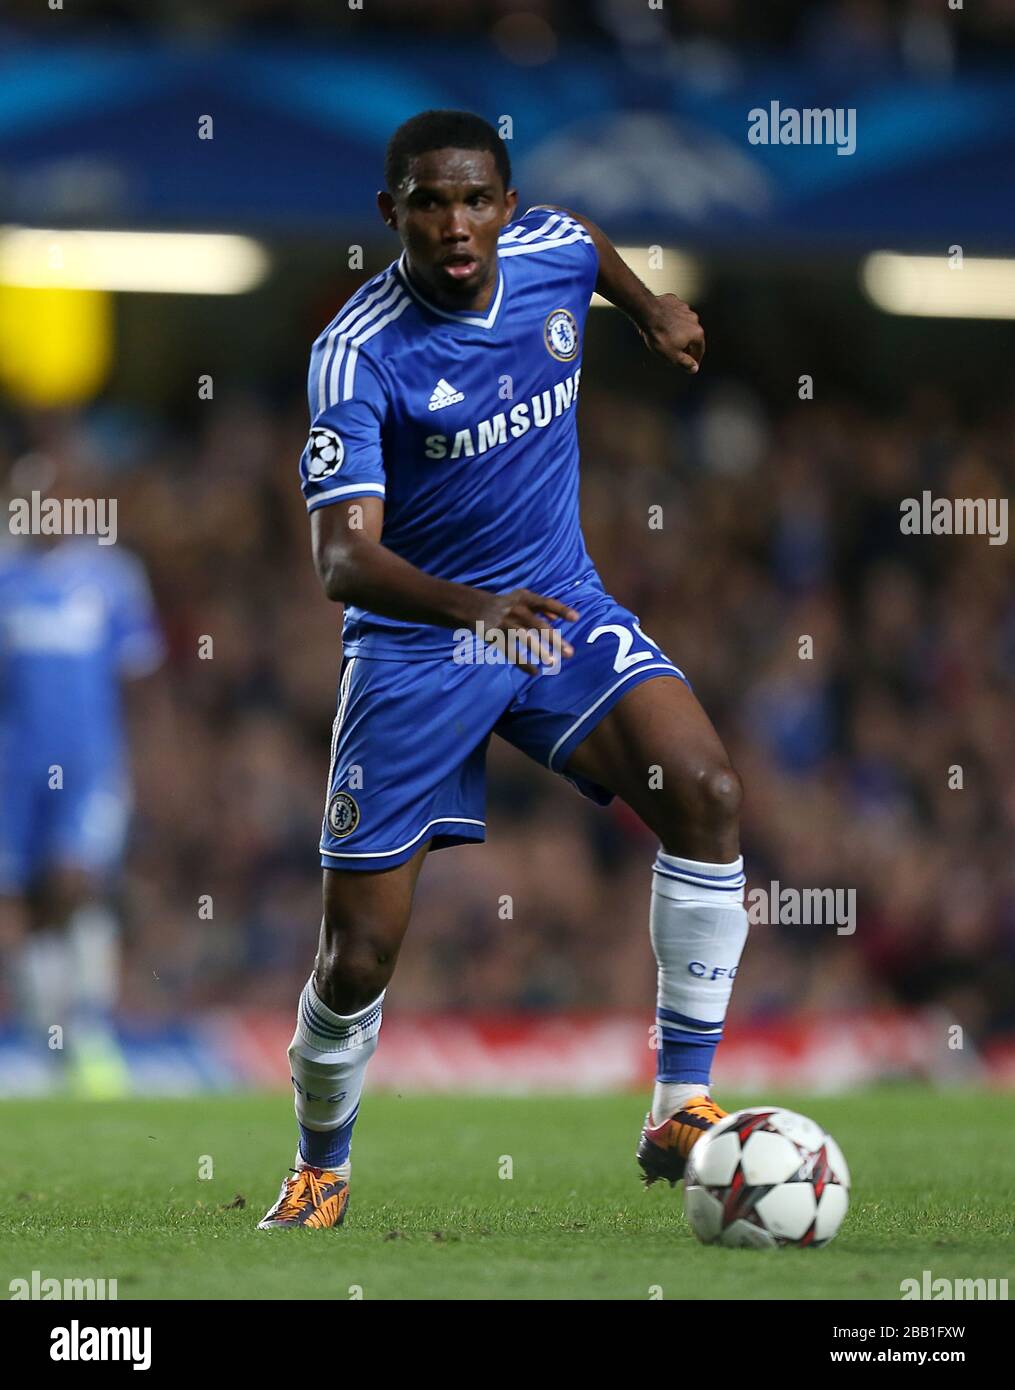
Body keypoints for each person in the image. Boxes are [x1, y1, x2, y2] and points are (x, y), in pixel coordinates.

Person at [260, 110, 748, 1230]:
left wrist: (653, 312)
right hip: (422, 644)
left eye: (476, 199)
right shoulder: (357, 353)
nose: (455, 224)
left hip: (555, 603)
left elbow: (585, 240)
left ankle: (680, 1104)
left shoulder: (552, 253)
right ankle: (320, 1165)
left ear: (505, 207)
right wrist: (475, 609)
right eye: (429, 203)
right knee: (357, 957)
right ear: (391, 216)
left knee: (708, 794)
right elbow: (343, 561)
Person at [0, 458, 164, 1096]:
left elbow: (141, 676)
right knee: (20, 904)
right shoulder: (5, 573)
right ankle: (50, 1038)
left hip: (91, 761)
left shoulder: (113, 576)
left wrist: (151, 758)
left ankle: (89, 1024)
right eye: (28, 498)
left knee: (77, 881)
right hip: (13, 766)